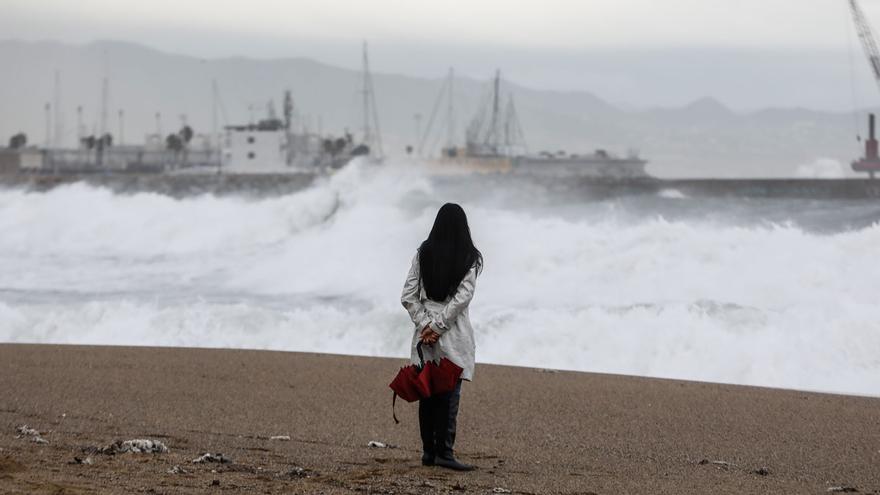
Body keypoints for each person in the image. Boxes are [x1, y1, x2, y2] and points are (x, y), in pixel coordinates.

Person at [401, 203, 482, 471]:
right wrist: (438, 326)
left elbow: (408, 296)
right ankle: (444, 453)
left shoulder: (423, 253)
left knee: (428, 391)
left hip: (424, 333)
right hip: (452, 331)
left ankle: (428, 452)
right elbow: (462, 298)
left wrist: (426, 324)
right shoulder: (470, 257)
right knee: (449, 391)